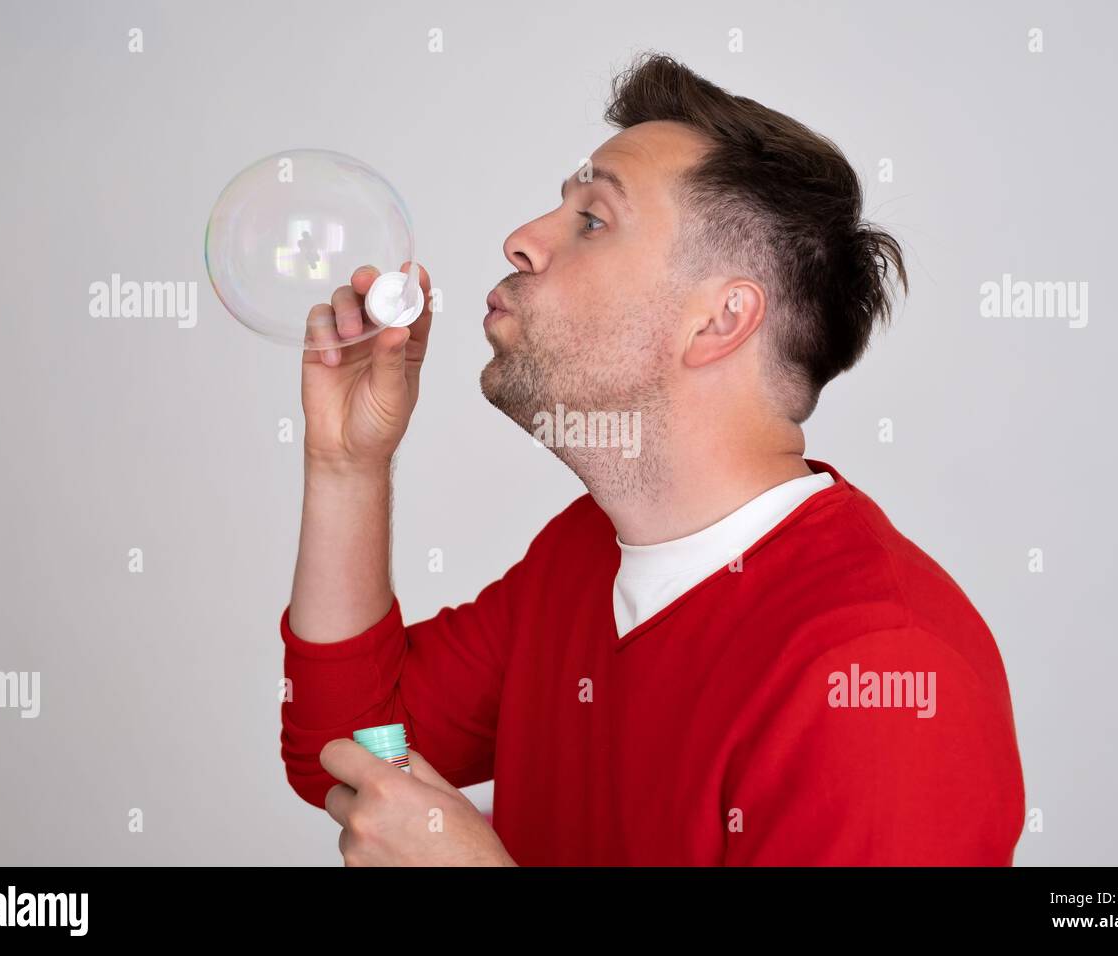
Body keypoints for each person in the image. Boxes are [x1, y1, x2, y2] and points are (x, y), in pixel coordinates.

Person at [279, 52, 1025, 866]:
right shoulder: (579, 556)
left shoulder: (879, 674)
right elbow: (348, 746)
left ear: (718, 321)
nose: (521, 241)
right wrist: (347, 464)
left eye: (592, 220)